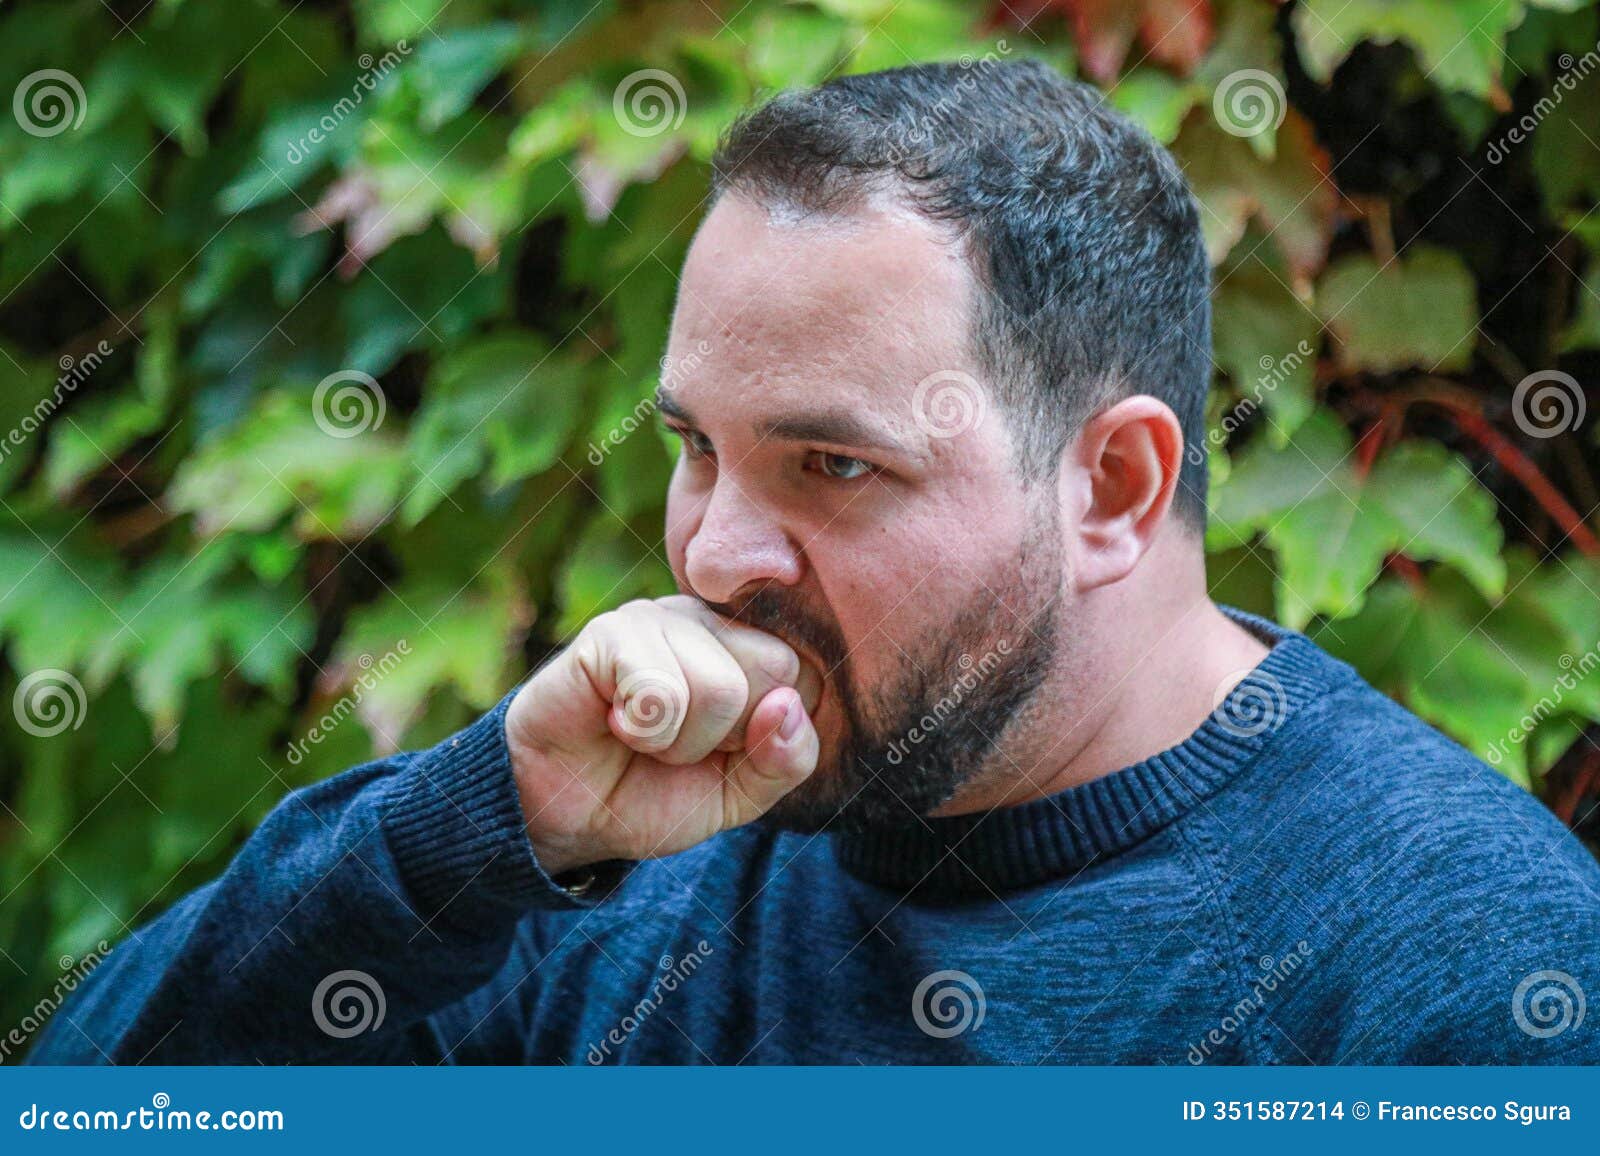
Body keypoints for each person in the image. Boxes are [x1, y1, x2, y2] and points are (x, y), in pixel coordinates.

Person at [31, 60, 1600, 1065]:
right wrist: (474, 832)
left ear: (1113, 485)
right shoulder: (602, 865)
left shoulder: (1459, 972)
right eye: (692, 447)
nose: (713, 555)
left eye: (833, 466)